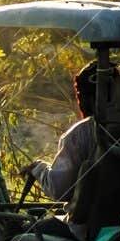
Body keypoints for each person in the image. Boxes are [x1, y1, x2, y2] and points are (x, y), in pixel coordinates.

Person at [26, 62, 98, 202]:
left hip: (90, 222)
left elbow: (59, 190)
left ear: (85, 98)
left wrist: (38, 169)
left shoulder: (80, 134)